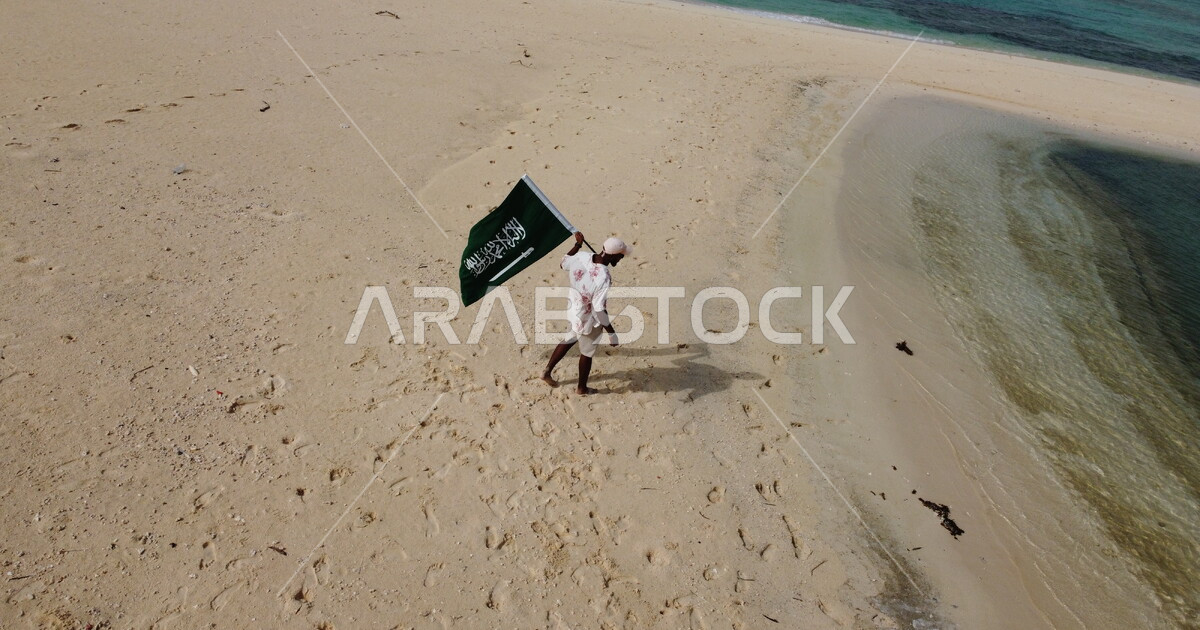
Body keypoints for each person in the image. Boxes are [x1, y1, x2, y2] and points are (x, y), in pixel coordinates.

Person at [541, 232, 632, 395]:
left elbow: (563, 263)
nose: (621, 259)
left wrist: (577, 245)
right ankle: (581, 388)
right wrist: (611, 332)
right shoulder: (604, 277)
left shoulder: (582, 256)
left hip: (574, 310)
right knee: (587, 352)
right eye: (620, 256)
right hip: (589, 319)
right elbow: (599, 308)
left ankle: (547, 371)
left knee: (569, 338)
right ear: (612, 256)